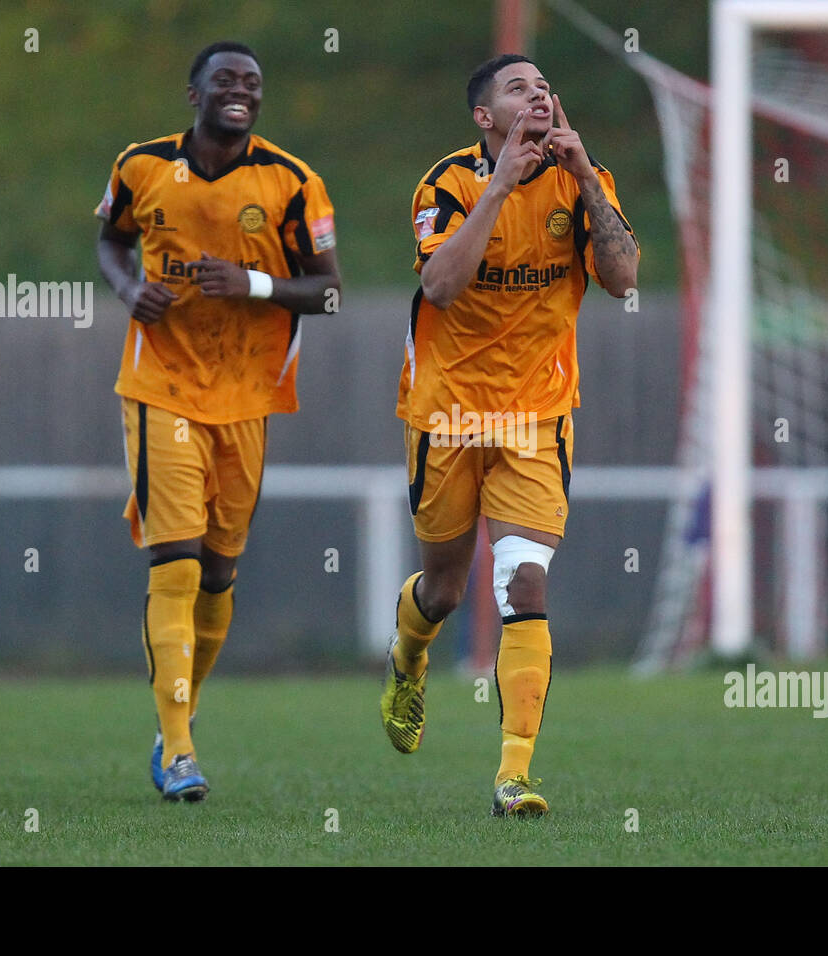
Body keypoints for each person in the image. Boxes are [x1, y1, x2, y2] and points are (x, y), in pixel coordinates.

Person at [380, 54, 639, 816]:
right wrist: (500, 184)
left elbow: (622, 279)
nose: (540, 95)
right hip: (448, 414)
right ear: (485, 118)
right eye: (518, 89)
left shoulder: (582, 180)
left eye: (545, 87)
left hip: (536, 415)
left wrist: (587, 178)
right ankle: (408, 654)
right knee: (446, 590)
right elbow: (442, 284)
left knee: (525, 580)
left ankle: (513, 775)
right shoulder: (449, 184)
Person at [94, 41, 341, 800]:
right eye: (226, 80)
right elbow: (111, 239)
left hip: (246, 397)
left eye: (254, 82)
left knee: (221, 570)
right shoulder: (140, 165)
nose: (242, 91)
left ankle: (182, 722)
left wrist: (254, 283)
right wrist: (128, 288)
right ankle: (177, 751)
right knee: (176, 558)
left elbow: (328, 293)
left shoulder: (293, 181)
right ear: (193, 92)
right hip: (160, 385)